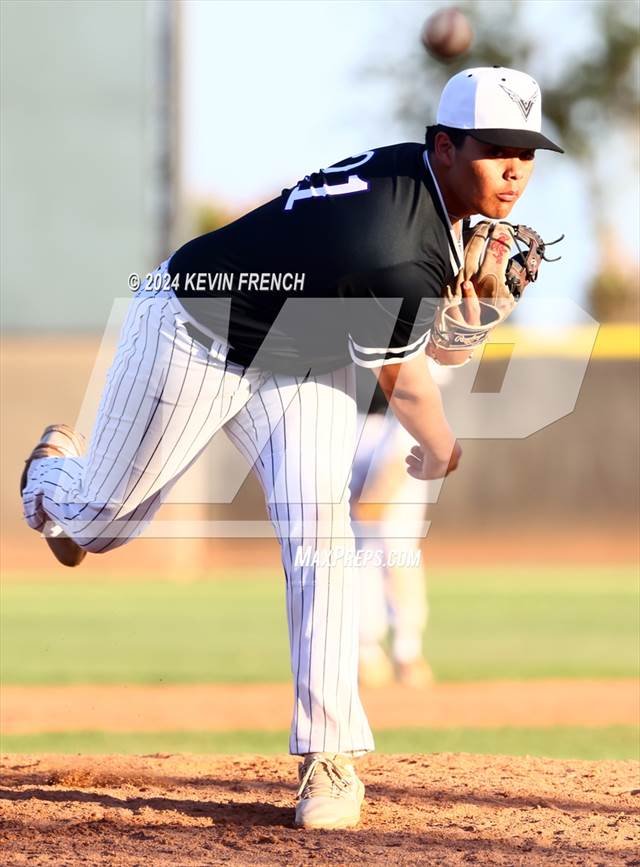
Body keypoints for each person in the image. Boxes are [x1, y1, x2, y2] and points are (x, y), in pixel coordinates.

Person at [20, 66, 562, 830]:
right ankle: (52, 479)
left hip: (303, 360)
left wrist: (462, 325)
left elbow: (412, 332)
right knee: (102, 522)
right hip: (195, 330)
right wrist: (443, 447)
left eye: (526, 151)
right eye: (495, 148)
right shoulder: (395, 242)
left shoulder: (426, 202)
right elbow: (410, 383)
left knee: (321, 535)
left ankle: (328, 756)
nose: (513, 168)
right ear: (444, 147)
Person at [351, 363, 452, 690]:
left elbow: (419, 394)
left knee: (397, 546)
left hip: (400, 426)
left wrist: (391, 471)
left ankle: (407, 650)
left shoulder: (417, 336)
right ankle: (366, 650)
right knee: (357, 549)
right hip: (346, 425)